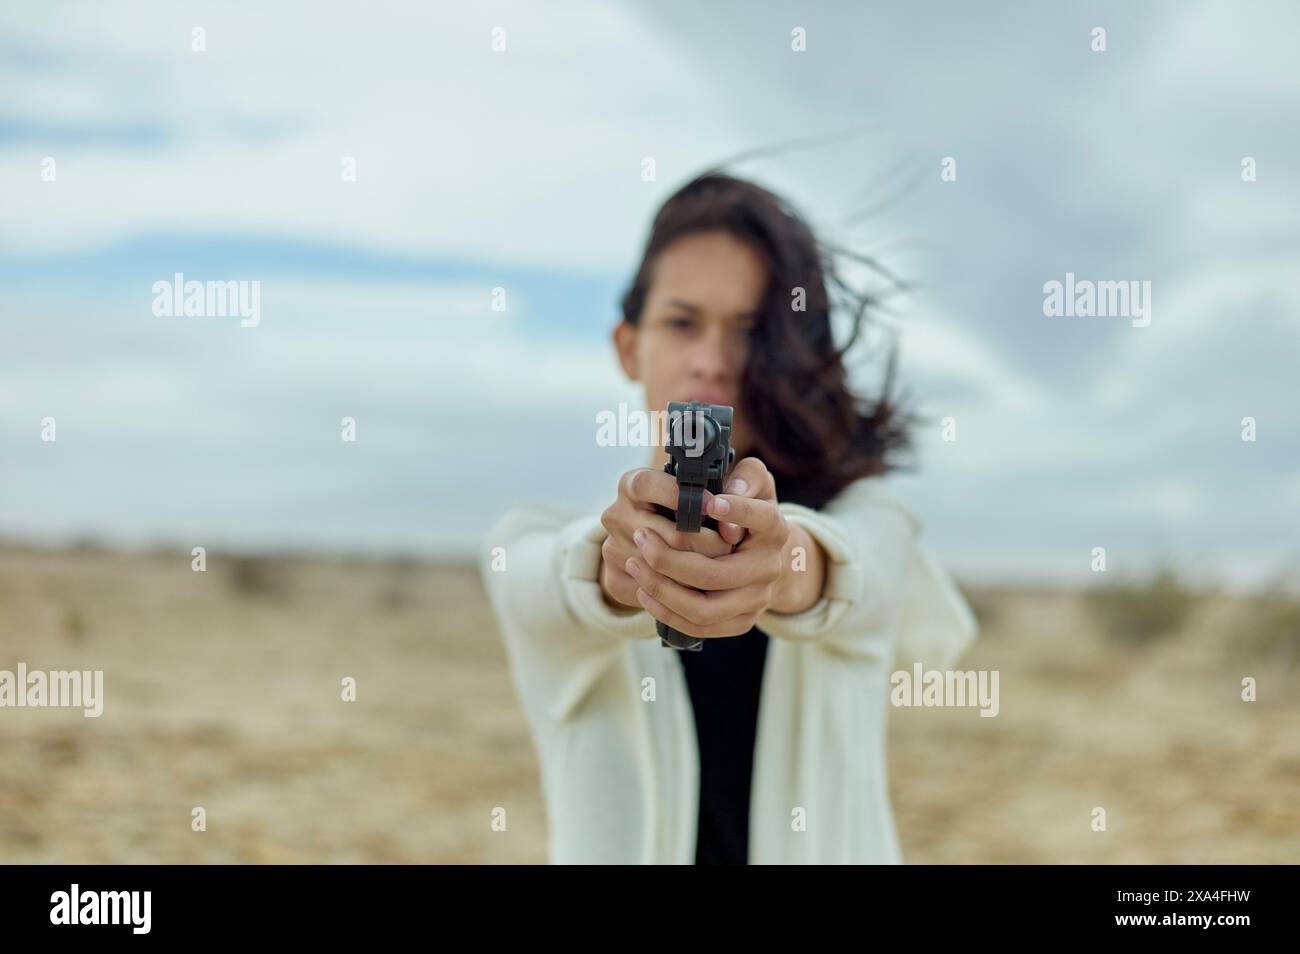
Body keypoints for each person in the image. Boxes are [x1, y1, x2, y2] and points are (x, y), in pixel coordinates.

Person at [480, 171, 977, 864]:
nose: (712, 362)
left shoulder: (870, 517)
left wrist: (781, 566)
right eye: (682, 323)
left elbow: (857, 567)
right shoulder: (529, 539)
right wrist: (622, 566)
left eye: (748, 332)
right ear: (628, 346)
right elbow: (546, 581)